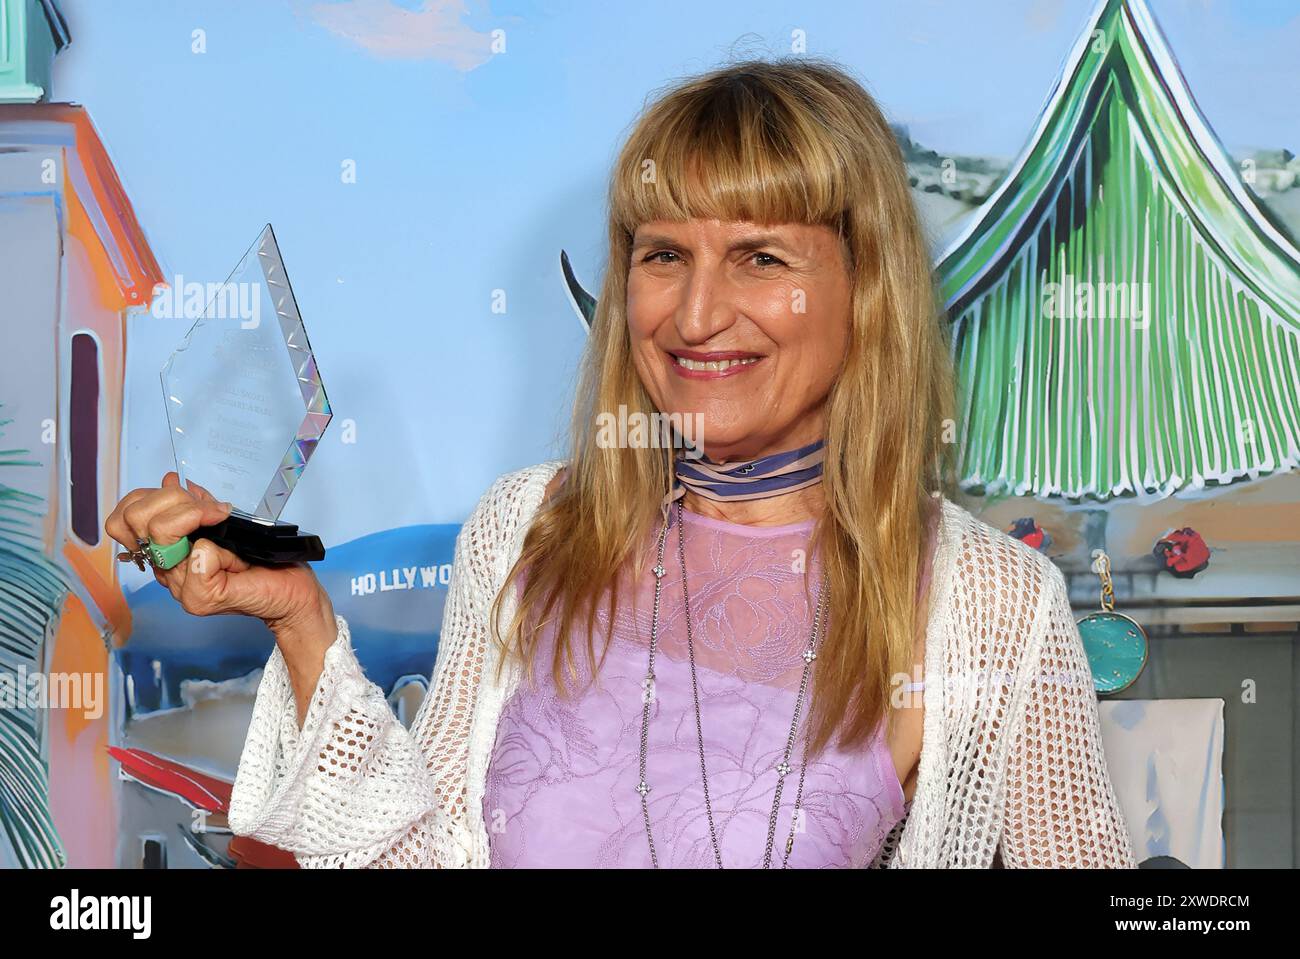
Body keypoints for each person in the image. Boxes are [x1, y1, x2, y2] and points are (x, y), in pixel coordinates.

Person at [104, 57, 1137, 869]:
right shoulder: (525, 529)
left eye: (761, 257)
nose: (693, 314)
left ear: (865, 289)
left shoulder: (991, 604)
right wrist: (301, 617)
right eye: (662, 254)